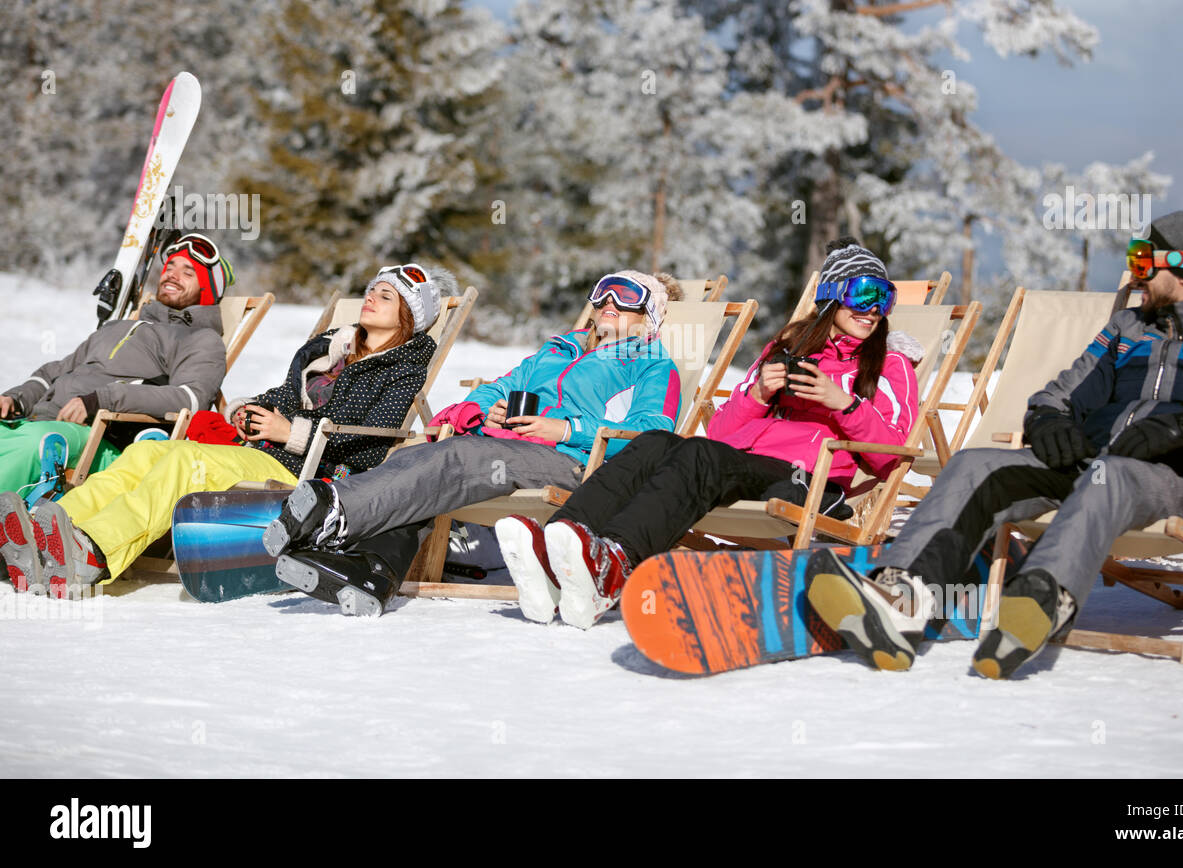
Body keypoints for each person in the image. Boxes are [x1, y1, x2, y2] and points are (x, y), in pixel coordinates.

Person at [804, 211, 1183, 679]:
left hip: (1180, 481)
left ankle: (1039, 600)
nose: (1134, 275)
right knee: (977, 464)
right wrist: (1046, 420)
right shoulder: (1129, 328)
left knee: (1113, 476)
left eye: (1143, 261)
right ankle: (899, 604)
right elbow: (1058, 393)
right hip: (1088, 465)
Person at [495, 239, 925, 629]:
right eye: (862, 294)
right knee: (652, 444)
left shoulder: (890, 366)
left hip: (808, 481)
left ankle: (615, 565)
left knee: (699, 455)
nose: (873, 309)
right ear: (831, 298)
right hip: (740, 466)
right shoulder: (788, 350)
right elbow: (720, 431)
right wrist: (757, 393)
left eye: (882, 298)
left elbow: (892, 455)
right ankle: (556, 550)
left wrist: (844, 404)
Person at [0, 263, 449, 597]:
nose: (371, 297)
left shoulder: (403, 367)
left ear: (409, 316)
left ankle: (93, 550)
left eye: (386, 296)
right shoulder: (332, 351)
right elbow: (285, 395)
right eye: (373, 290)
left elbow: (370, 442)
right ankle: (52, 533)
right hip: (272, 450)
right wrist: (247, 409)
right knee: (148, 454)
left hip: (310, 472)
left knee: (187, 463)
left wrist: (287, 431)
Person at [263, 270, 684, 618]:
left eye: (627, 297)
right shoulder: (559, 349)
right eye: (602, 293)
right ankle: (373, 571)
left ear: (648, 317)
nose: (609, 302)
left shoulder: (653, 365)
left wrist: (567, 429)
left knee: (460, 459)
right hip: (508, 447)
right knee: (419, 458)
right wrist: (488, 410)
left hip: (576, 463)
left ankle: (334, 509)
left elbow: (653, 435)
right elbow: (498, 386)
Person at [0, 233, 233, 499]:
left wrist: (103, 399)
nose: (171, 275)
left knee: (29, 446)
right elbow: (54, 371)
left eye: (187, 272)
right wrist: (15, 398)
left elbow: (190, 399)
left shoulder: (202, 339)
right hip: (39, 420)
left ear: (208, 289)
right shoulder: (118, 327)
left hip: (96, 436)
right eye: (169, 267)